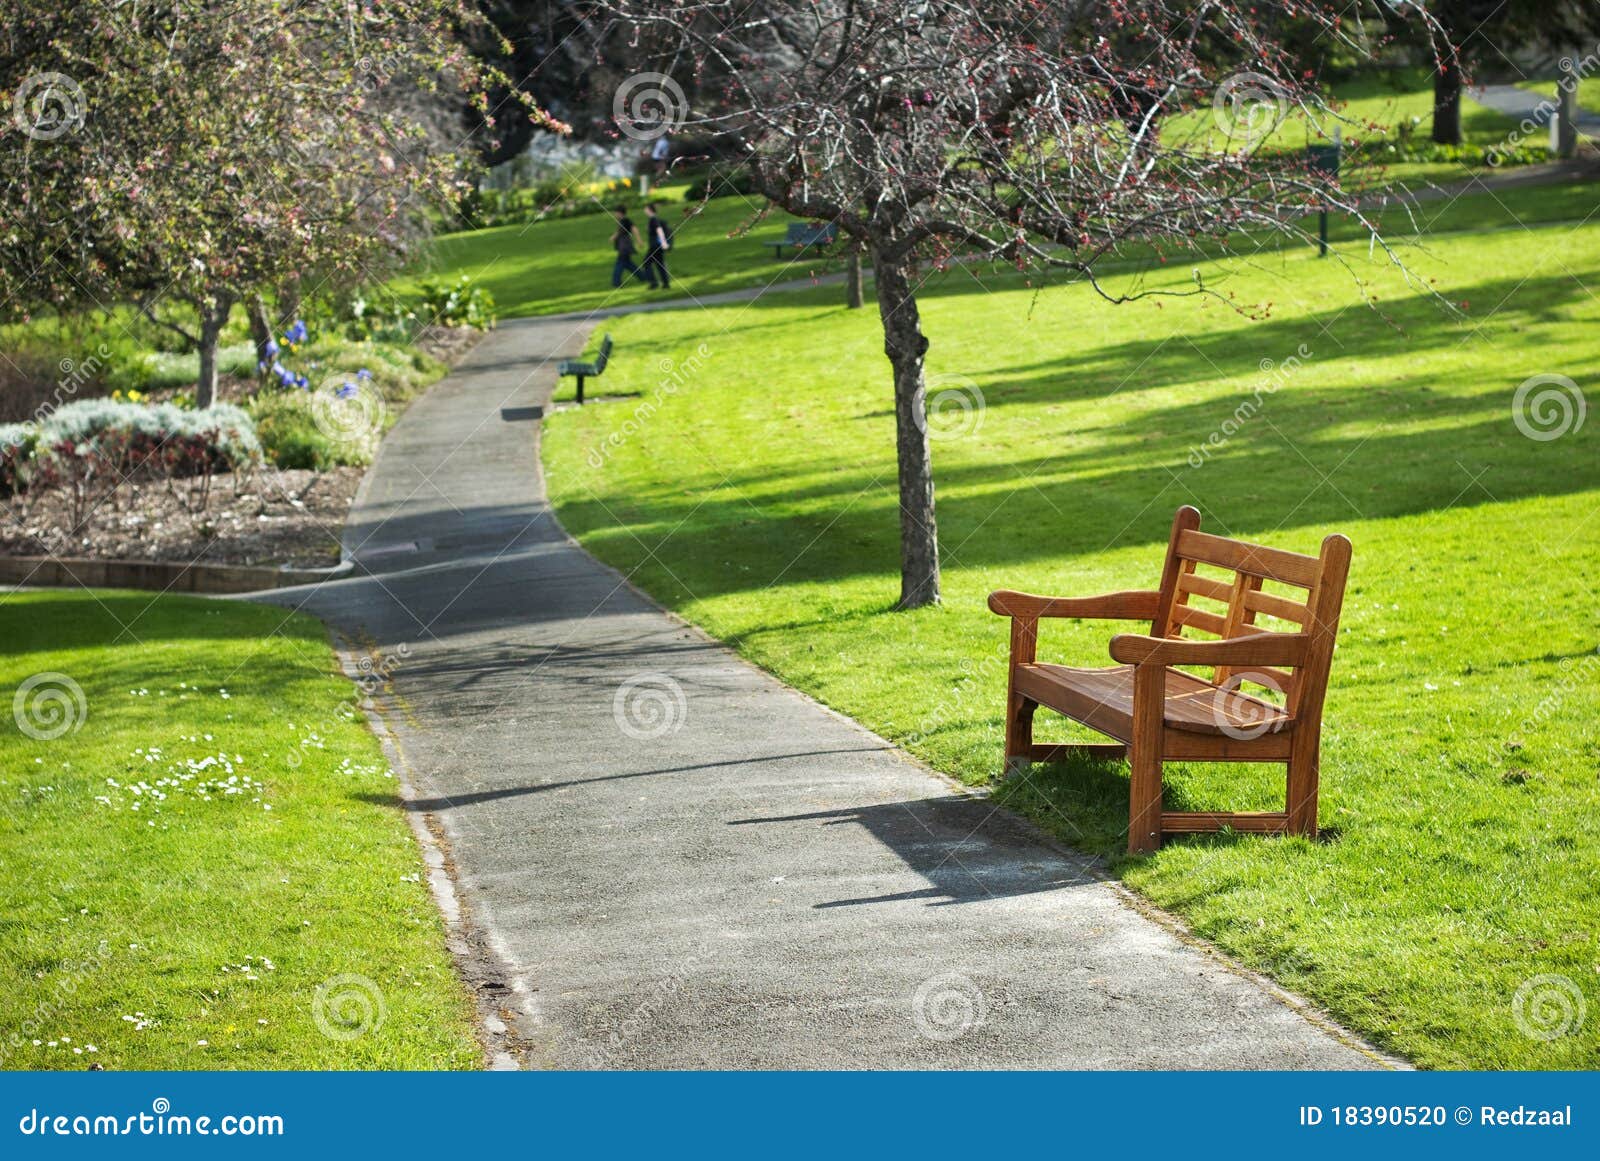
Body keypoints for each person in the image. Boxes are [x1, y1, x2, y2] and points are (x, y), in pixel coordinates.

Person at [610, 205, 654, 289]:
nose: (614, 214)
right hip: (623, 246)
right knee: (629, 264)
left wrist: (639, 241)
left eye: (615, 213)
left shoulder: (626, 220)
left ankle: (616, 282)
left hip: (625, 246)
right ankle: (643, 277)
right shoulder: (622, 221)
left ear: (619, 213)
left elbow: (634, 229)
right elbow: (620, 231)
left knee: (619, 263)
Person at [641, 202, 671, 290]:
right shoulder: (653, 219)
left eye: (646, 208)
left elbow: (659, 230)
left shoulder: (653, 219)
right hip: (657, 245)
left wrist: (663, 242)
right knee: (660, 264)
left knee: (646, 263)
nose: (644, 210)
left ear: (649, 210)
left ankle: (653, 283)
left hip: (655, 246)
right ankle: (666, 284)